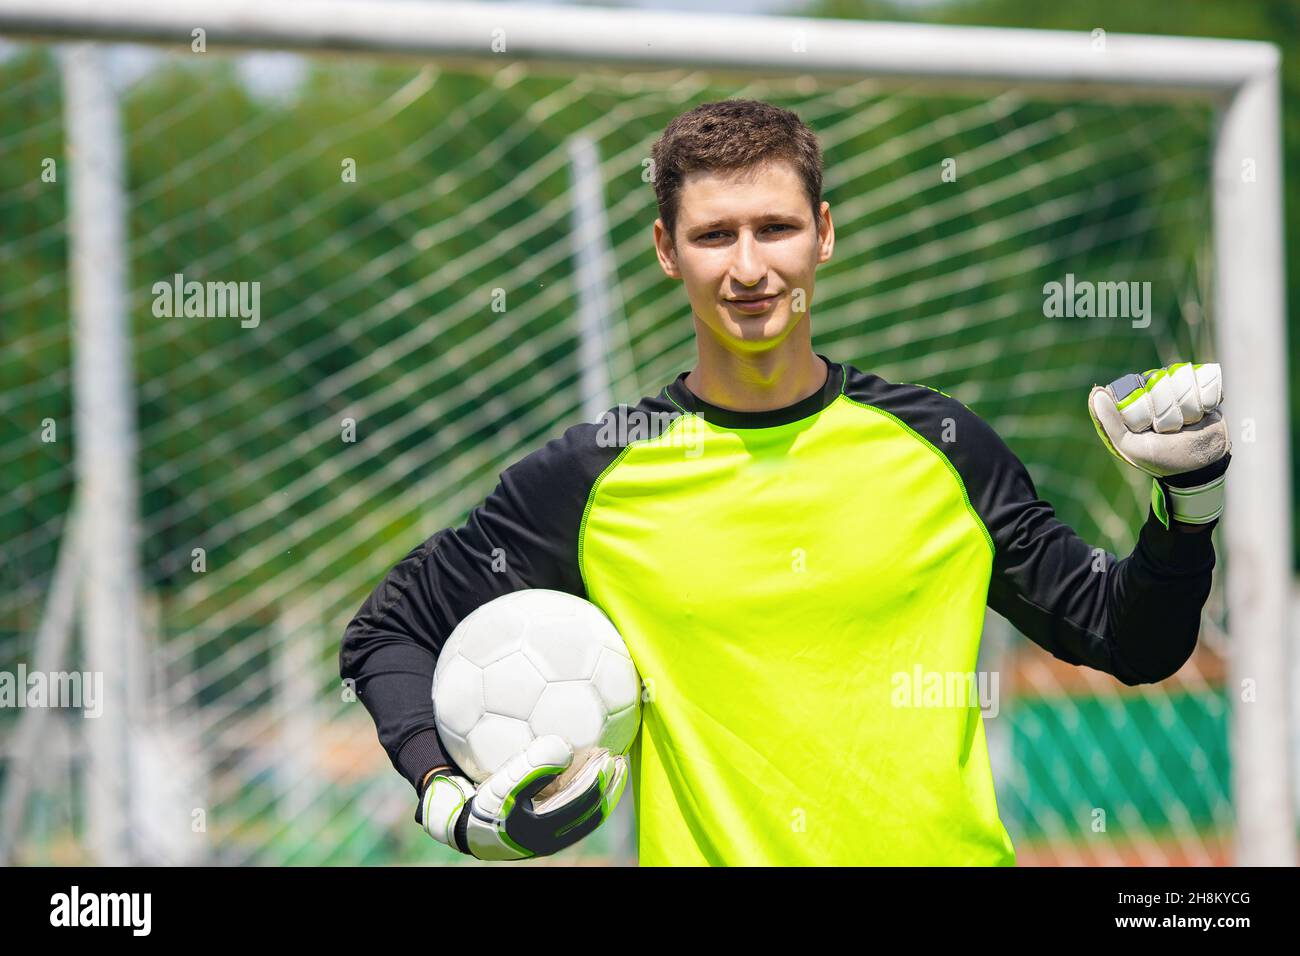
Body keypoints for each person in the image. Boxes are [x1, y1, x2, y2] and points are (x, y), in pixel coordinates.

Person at [339, 99, 1230, 865]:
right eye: (714, 235)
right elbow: (388, 630)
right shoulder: (592, 474)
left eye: (776, 227)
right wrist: (447, 796)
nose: (749, 267)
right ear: (665, 250)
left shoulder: (945, 446)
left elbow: (1130, 639)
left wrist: (1186, 509)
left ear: (825, 233)